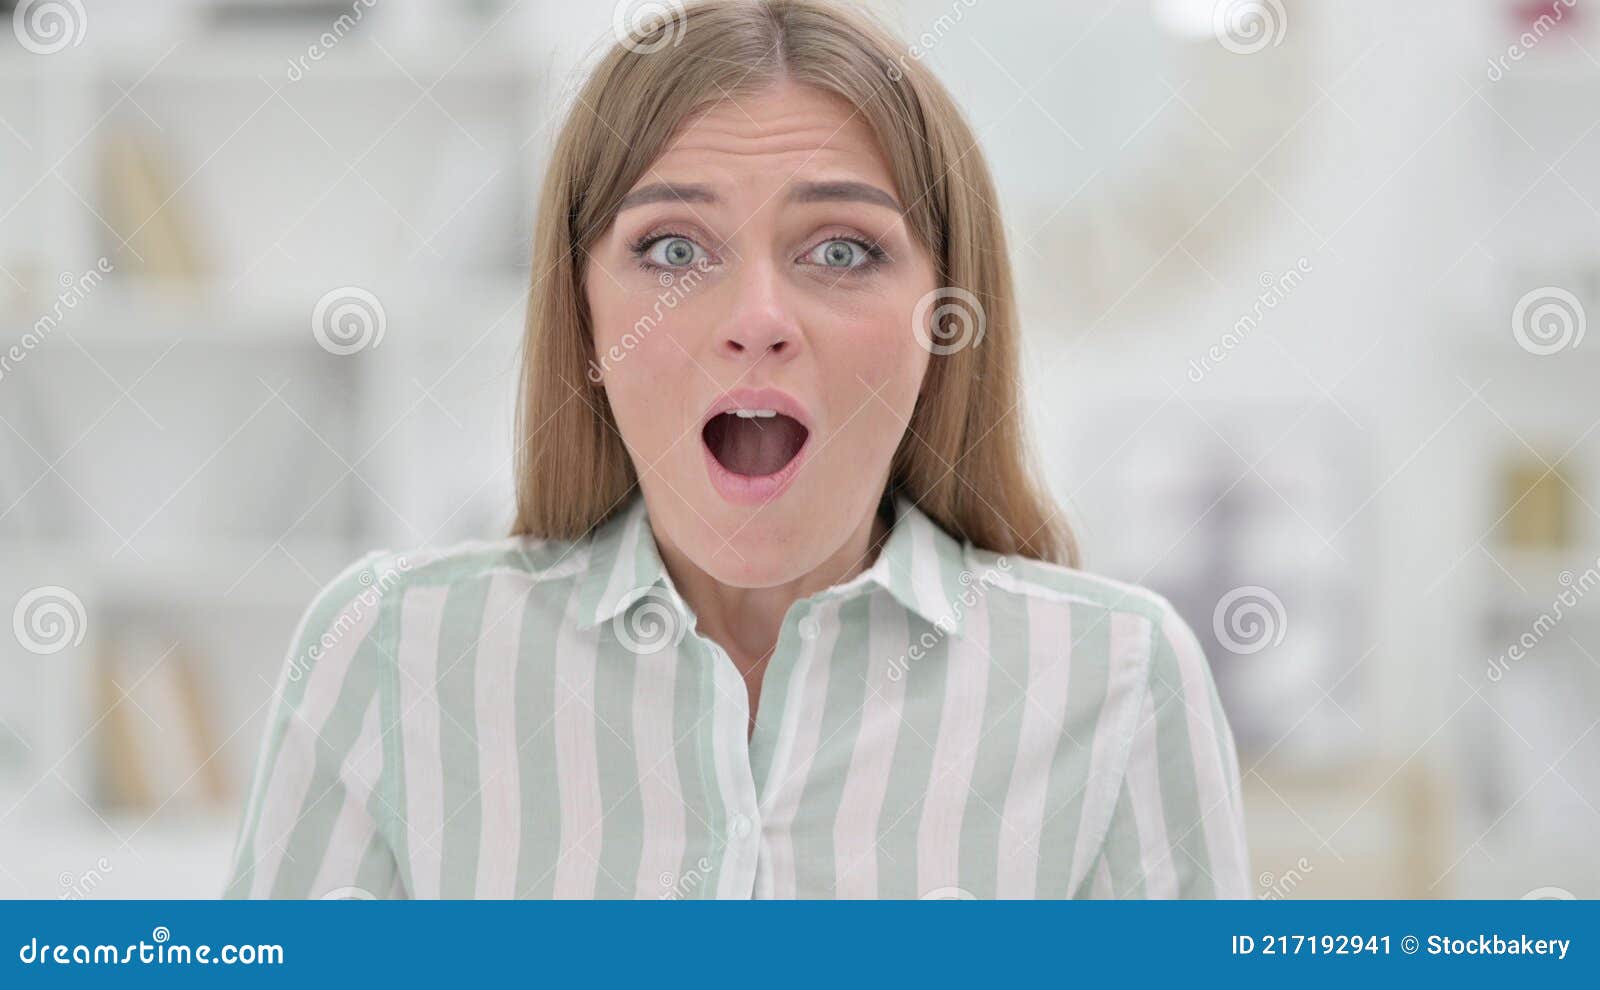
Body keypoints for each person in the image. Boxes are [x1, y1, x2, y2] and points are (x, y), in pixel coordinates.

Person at [226, 0, 1249, 900]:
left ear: (943, 318)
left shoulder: (1115, 679)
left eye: (841, 250)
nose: (756, 319)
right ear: (583, 322)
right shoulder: (395, 656)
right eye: (673, 249)